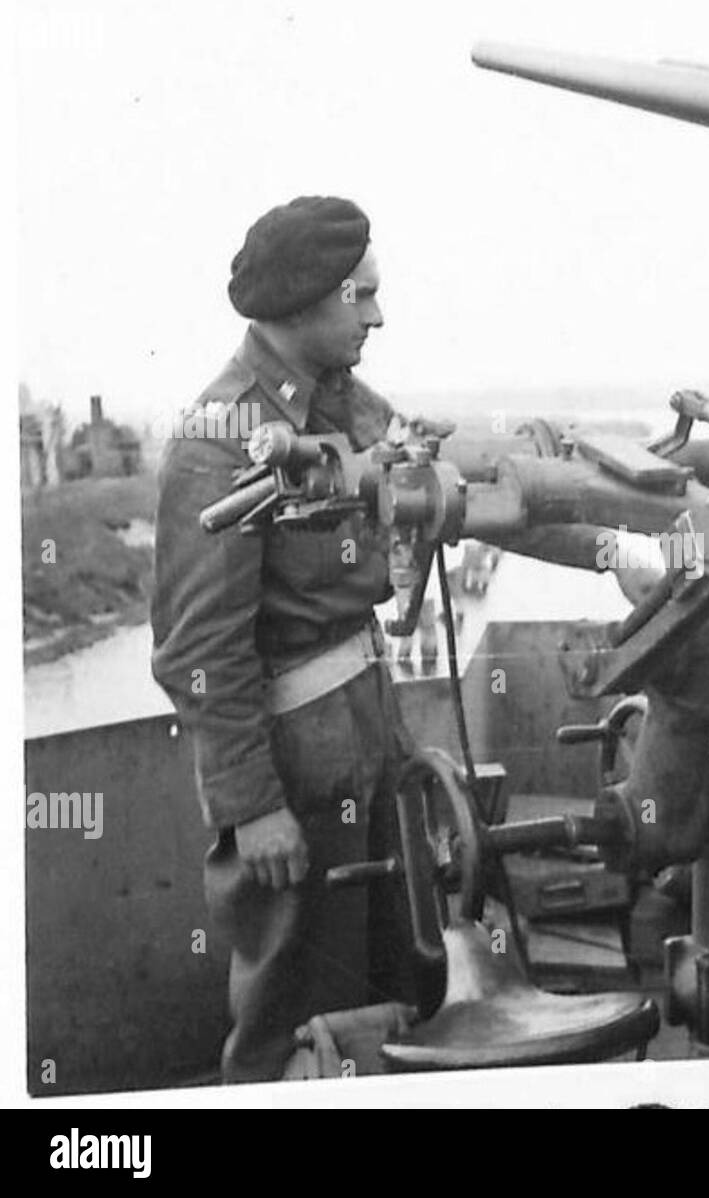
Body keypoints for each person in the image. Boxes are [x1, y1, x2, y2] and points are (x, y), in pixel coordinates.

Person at [151, 196, 416, 1082]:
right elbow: (199, 650)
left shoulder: (355, 410)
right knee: (292, 1024)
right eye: (361, 296)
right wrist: (251, 806)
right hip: (295, 772)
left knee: (394, 989)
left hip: (371, 742)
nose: (377, 315)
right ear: (305, 300)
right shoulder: (219, 439)